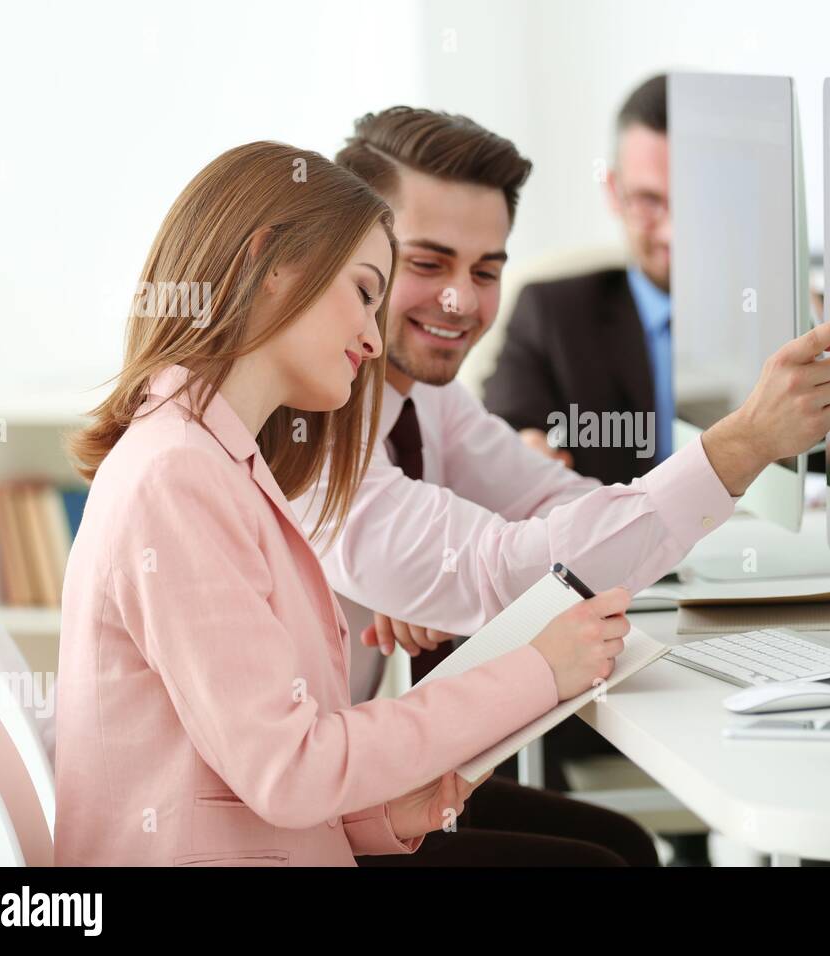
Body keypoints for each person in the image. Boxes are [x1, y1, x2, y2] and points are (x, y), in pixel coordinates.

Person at [290, 107, 830, 862]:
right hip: (294, 822)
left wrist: (480, 572)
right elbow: (506, 571)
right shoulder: (313, 420)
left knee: (621, 844)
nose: (462, 301)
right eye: (428, 265)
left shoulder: (425, 399)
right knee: (608, 861)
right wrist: (744, 445)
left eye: (486, 270)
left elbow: (555, 507)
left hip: (350, 784)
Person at [55, 141, 632, 866]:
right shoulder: (179, 476)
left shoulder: (214, 459)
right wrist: (537, 670)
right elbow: (292, 770)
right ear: (270, 265)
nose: (370, 335)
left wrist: (378, 817)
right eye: (363, 291)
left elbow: (259, 763)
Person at [484, 74, 672, 485]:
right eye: (649, 201)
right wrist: (524, 451)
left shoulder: (779, 316)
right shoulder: (552, 314)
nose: (671, 231)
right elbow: (507, 425)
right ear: (613, 191)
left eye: (693, 201)